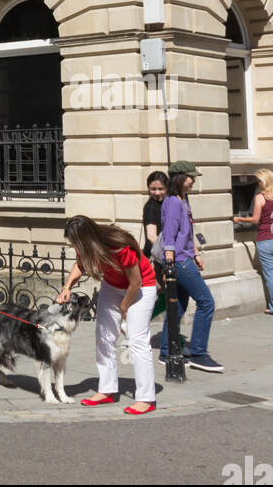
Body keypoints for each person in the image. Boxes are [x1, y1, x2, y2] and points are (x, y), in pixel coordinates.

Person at [57, 215, 158, 415]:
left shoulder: (119, 246)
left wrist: (124, 307)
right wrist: (67, 286)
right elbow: (80, 265)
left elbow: (135, 283)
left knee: (137, 340)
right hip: (112, 286)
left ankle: (146, 398)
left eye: (75, 242)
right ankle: (108, 389)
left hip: (140, 288)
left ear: (87, 238)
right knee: (103, 337)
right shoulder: (86, 248)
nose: (74, 246)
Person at [159, 167, 222, 372]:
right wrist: (169, 264)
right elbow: (169, 234)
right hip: (179, 261)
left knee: (177, 307)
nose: (193, 181)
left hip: (185, 257)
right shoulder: (174, 203)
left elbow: (187, 232)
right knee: (206, 302)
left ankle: (167, 351)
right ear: (180, 178)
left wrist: (196, 253)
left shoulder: (182, 199)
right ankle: (198, 353)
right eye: (190, 177)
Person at [234, 168, 273, 316]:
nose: (257, 183)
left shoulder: (260, 198)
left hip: (265, 239)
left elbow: (255, 220)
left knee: (270, 274)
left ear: (264, 181)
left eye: (259, 181)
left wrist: (238, 219)